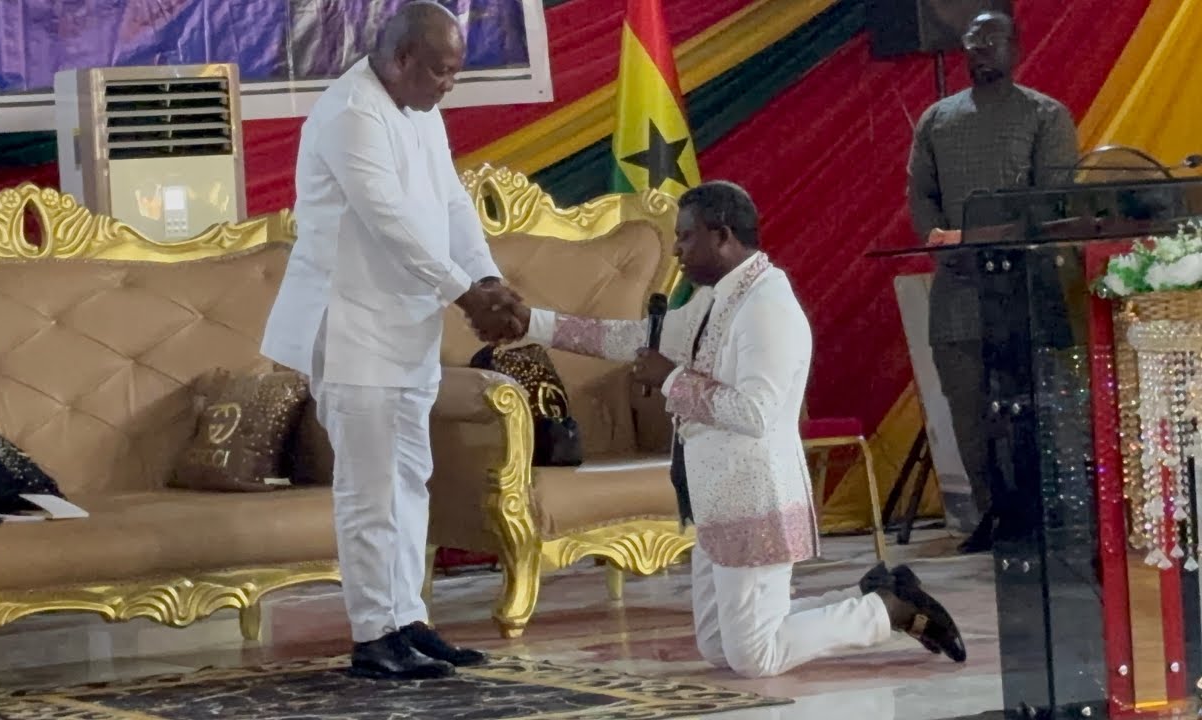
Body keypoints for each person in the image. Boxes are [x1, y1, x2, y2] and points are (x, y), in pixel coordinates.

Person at [487, 181, 965, 677]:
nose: (675, 248)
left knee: (757, 657)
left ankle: (885, 611)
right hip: (716, 494)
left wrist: (670, 379)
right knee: (720, 645)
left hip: (755, 495)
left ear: (723, 235)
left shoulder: (767, 307)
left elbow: (756, 413)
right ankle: (869, 595)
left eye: (685, 237)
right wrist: (530, 322)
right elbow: (632, 337)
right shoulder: (715, 300)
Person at [261, 0, 523, 680]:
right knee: (369, 488)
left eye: (455, 72)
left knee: (411, 481)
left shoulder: (420, 108)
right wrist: (468, 295)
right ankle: (373, 634)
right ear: (401, 57)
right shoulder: (351, 113)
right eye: (441, 70)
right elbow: (390, 224)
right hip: (350, 328)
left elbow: (450, 205)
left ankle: (408, 618)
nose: (448, 85)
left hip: (407, 328)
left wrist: (488, 274)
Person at [907, 11, 1078, 554]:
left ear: (1015, 48)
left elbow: (1051, 200)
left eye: (991, 40)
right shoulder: (936, 120)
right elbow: (920, 196)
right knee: (970, 410)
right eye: (972, 41)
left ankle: (1043, 518)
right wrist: (941, 240)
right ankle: (992, 516)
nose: (980, 49)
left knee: (1036, 409)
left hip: (1026, 290)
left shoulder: (1046, 115)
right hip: (957, 291)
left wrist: (982, 237)